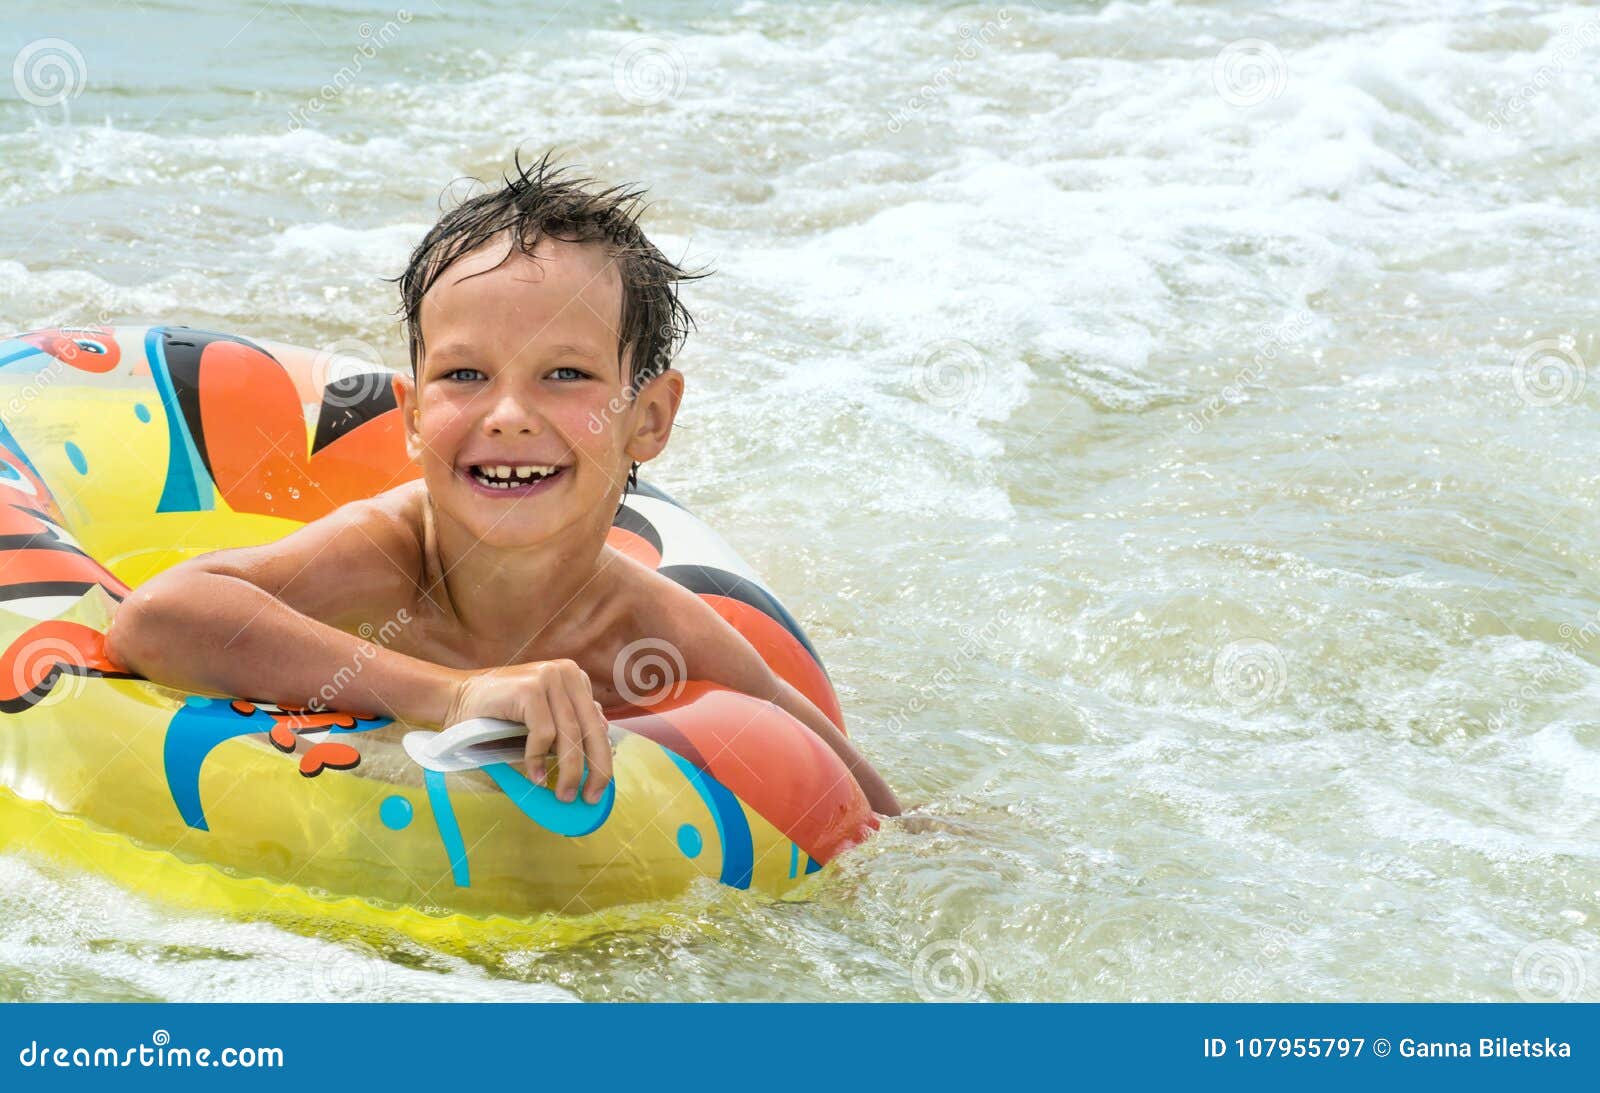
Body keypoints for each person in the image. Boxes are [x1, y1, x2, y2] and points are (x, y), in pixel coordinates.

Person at [107, 154, 900, 817]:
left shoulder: (651, 634)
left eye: (565, 373)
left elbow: (852, 797)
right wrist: (453, 695)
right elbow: (156, 619)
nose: (510, 413)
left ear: (648, 418)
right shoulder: (386, 556)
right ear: (414, 417)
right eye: (465, 374)